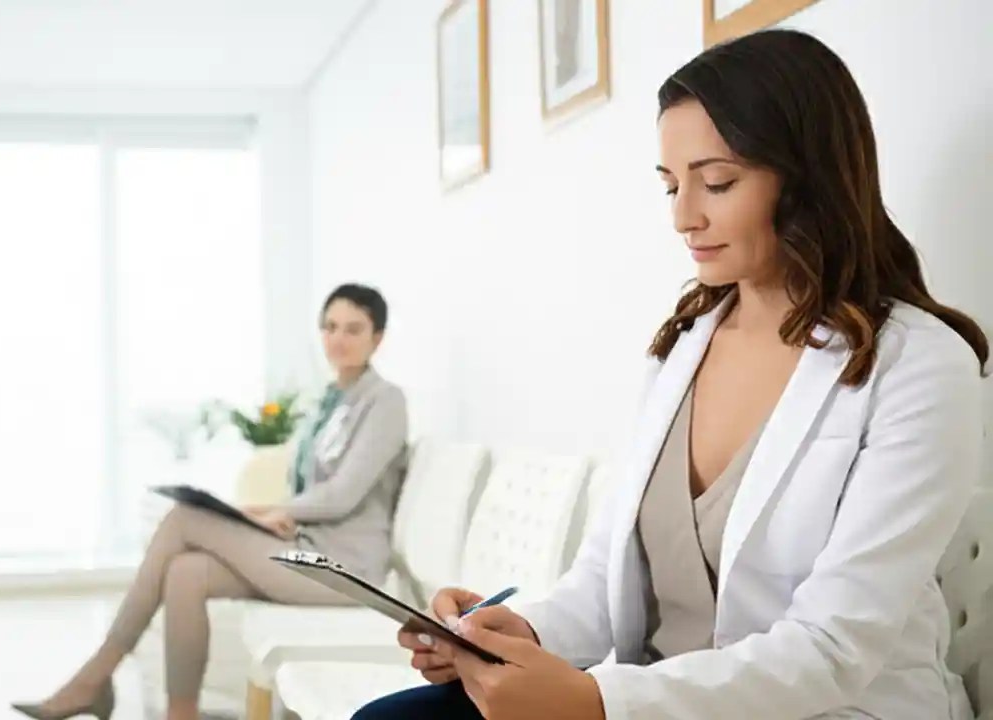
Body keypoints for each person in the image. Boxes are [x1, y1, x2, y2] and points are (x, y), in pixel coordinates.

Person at [355, 29, 987, 720]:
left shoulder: (921, 366)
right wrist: (520, 632)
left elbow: (833, 647)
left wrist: (597, 698)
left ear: (809, 179)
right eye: (671, 185)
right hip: (648, 697)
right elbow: (607, 580)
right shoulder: (681, 346)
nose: (684, 217)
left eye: (717, 182)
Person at [13, 283, 409, 720]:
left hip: (347, 568)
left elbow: (341, 495)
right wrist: (274, 518)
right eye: (330, 327)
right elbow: (312, 492)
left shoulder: (386, 401)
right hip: (308, 545)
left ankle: (94, 677)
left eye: (354, 329)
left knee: (184, 518)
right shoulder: (329, 403)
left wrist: (263, 513)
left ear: (377, 338)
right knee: (186, 572)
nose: (338, 339)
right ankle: (179, 714)